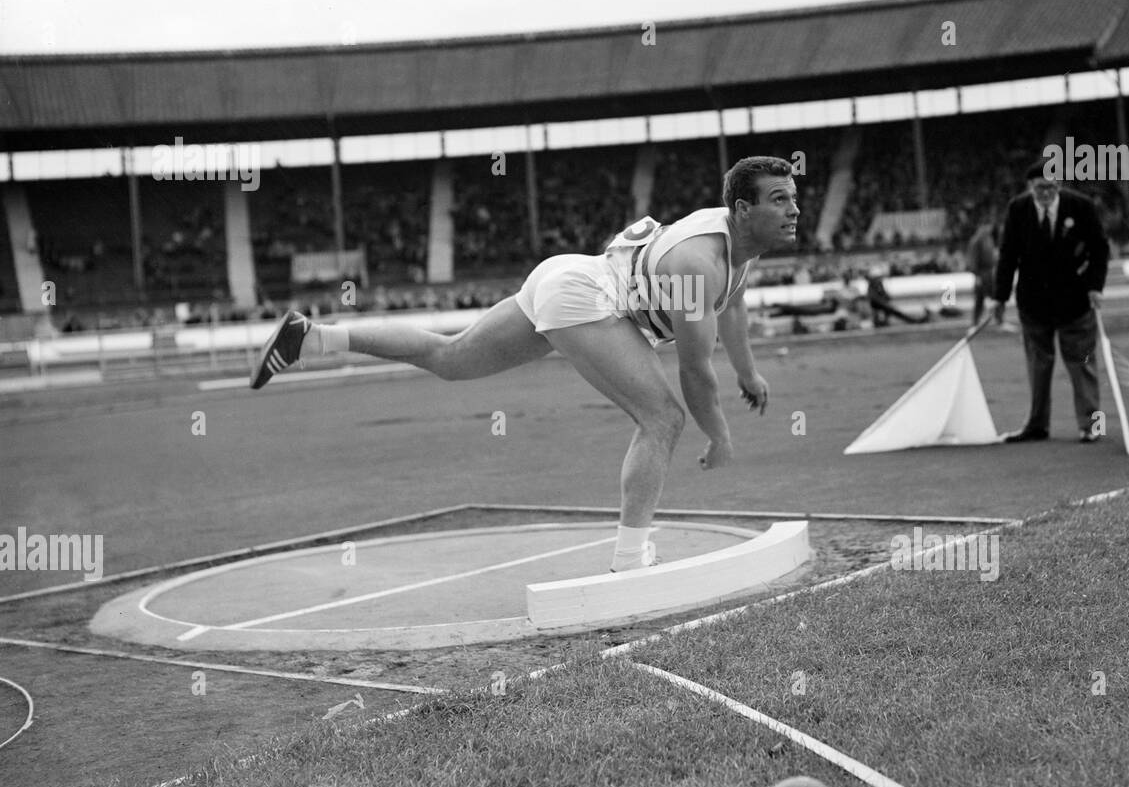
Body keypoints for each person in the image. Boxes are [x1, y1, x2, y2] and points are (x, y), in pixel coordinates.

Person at [251, 157, 799, 571]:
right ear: (743, 210)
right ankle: (630, 561)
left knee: (450, 358)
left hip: (565, 278)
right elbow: (695, 369)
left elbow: (733, 303)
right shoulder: (699, 262)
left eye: (794, 198)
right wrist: (719, 434)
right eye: (780, 199)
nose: (794, 209)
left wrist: (748, 371)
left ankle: (314, 338)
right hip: (586, 297)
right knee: (663, 420)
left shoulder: (732, 244)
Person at [991, 158, 1110, 443]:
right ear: (1030, 187)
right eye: (1039, 188)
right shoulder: (1018, 209)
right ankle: (1037, 425)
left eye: (1050, 187)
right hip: (1033, 304)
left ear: (1059, 184)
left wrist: (1095, 287)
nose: (1045, 193)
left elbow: (1100, 249)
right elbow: (1008, 255)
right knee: (1038, 367)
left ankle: (1091, 424)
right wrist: (999, 297)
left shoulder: (1081, 206)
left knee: (1083, 364)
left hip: (1075, 301)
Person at [965, 218, 999, 325]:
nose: (989, 228)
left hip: (990, 272)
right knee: (979, 299)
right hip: (981, 273)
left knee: (997, 296)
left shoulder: (989, 238)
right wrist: (977, 276)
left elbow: (991, 256)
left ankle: (998, 319)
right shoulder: (976, 240)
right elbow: (973, 260)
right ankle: (975, 322)